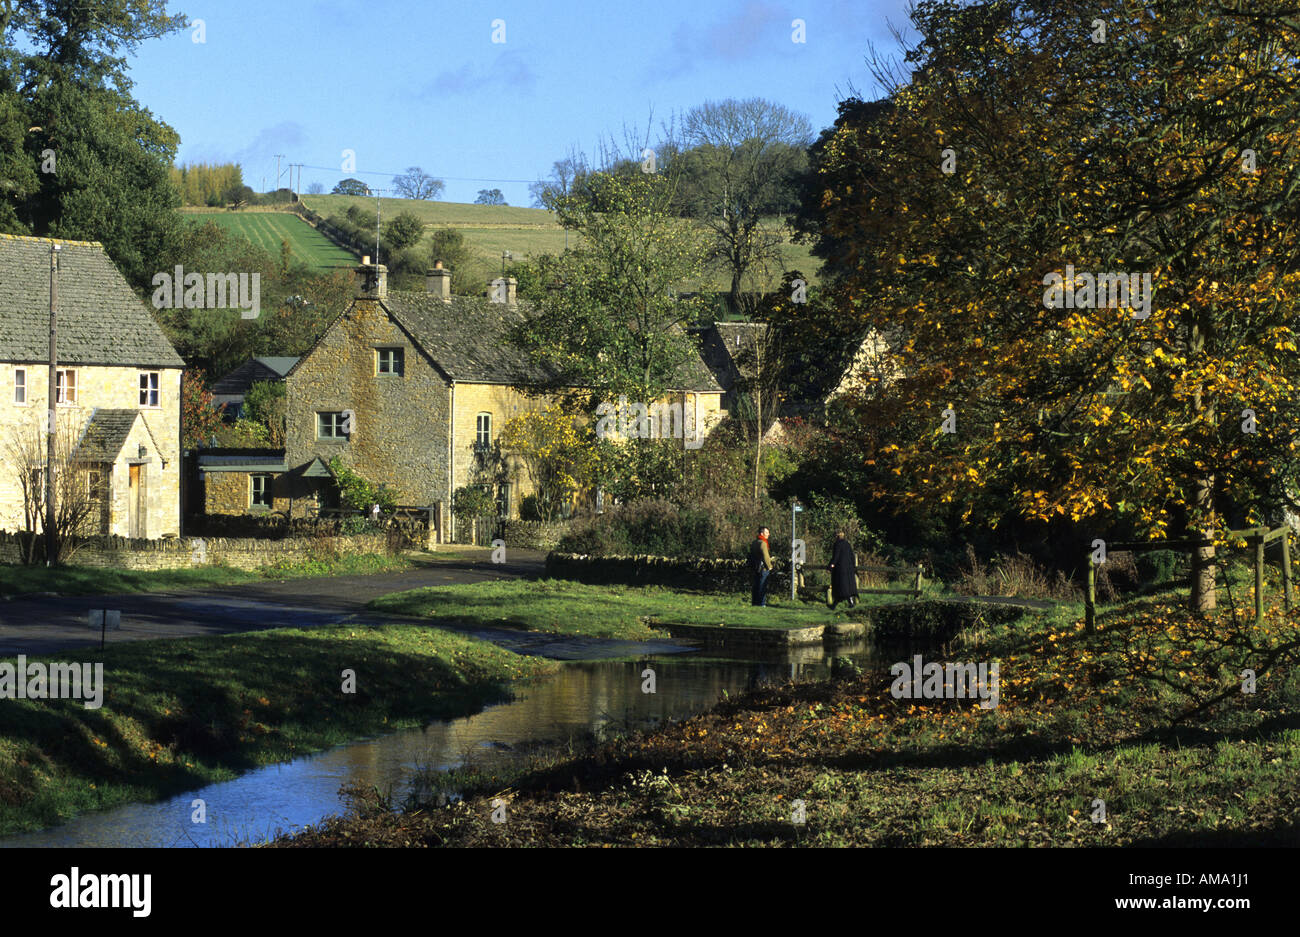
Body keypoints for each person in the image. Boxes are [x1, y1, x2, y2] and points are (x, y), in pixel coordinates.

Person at [828, 530, 858, 610]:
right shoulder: (847, 544)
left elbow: (836, 556)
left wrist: (832, 564)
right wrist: (853, 566)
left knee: (840, 586)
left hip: (840, 569)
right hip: (849, 568)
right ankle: (838, 605)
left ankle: (836, 605)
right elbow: (852, 556)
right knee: (845, 587)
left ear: (836, 536)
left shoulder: (837, 544)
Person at [748, 526, 774, 606]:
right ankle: (762, 603)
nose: (768, 534)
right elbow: (765, 556)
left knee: (756, 585)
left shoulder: (754, 542)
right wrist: (769, 567)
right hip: (763, 568)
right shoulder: (763, 543)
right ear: (762, 533)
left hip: (755, 567)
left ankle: (755, 602)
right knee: (762, 586)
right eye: (766, 532)